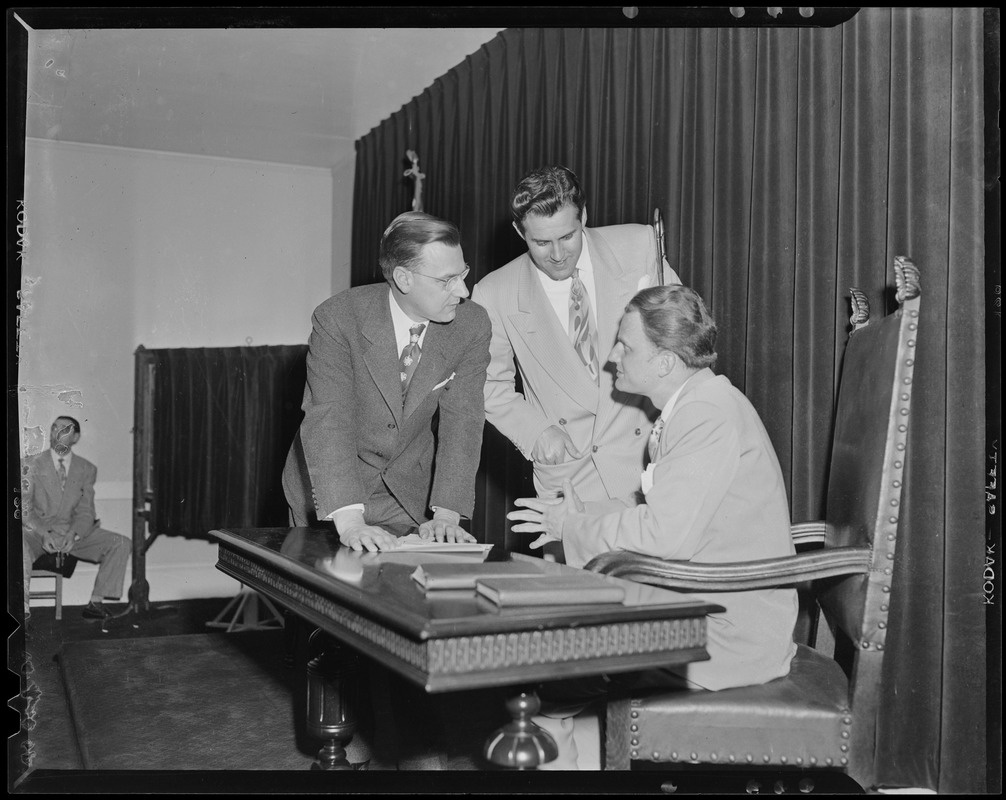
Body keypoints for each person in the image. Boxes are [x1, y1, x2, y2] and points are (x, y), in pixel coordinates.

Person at [508, 285, 799, 769]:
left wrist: (572, 529)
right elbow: (655, 507)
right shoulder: (697, 405)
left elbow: (667, 534)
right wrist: (582, 514)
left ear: (664, 362)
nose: (613, 356)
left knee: (551, 655)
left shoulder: (706, 414)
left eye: (626, 345)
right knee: (557, 656)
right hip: (714, 606)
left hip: (728, 631)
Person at [471, 165, 680, 558]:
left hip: (651, 461)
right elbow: (487, 385)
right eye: (541, 243)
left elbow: (681, 341)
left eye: (568, 236)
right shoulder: (493, 292)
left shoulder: (639, 245)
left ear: (584, 217)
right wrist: (535, 432)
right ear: (521, 234)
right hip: (571, 478)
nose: (557, 254)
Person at [282, 211, 491, 552]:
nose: (463, 291)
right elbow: (329, 420)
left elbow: (464, 422)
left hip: (410, 491)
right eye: (447, 280)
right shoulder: (338, 318)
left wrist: (447, 515)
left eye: (463, 273)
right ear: (404, 278)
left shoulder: (472, 325)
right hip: (334, 487)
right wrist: (350, 524)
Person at [21, 416, 131, 620]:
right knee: (17, 546)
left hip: (71, 531)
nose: (57, 433)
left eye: (64, 429)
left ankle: (95, 603)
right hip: (38, 533)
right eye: (54, 428)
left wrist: (74, 534)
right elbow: (25, 509)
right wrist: (44, 533)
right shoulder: (30, 464)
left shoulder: (86, 469)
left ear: (76, 437)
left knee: (121, 543)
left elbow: (86, 511)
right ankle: (23, 611)